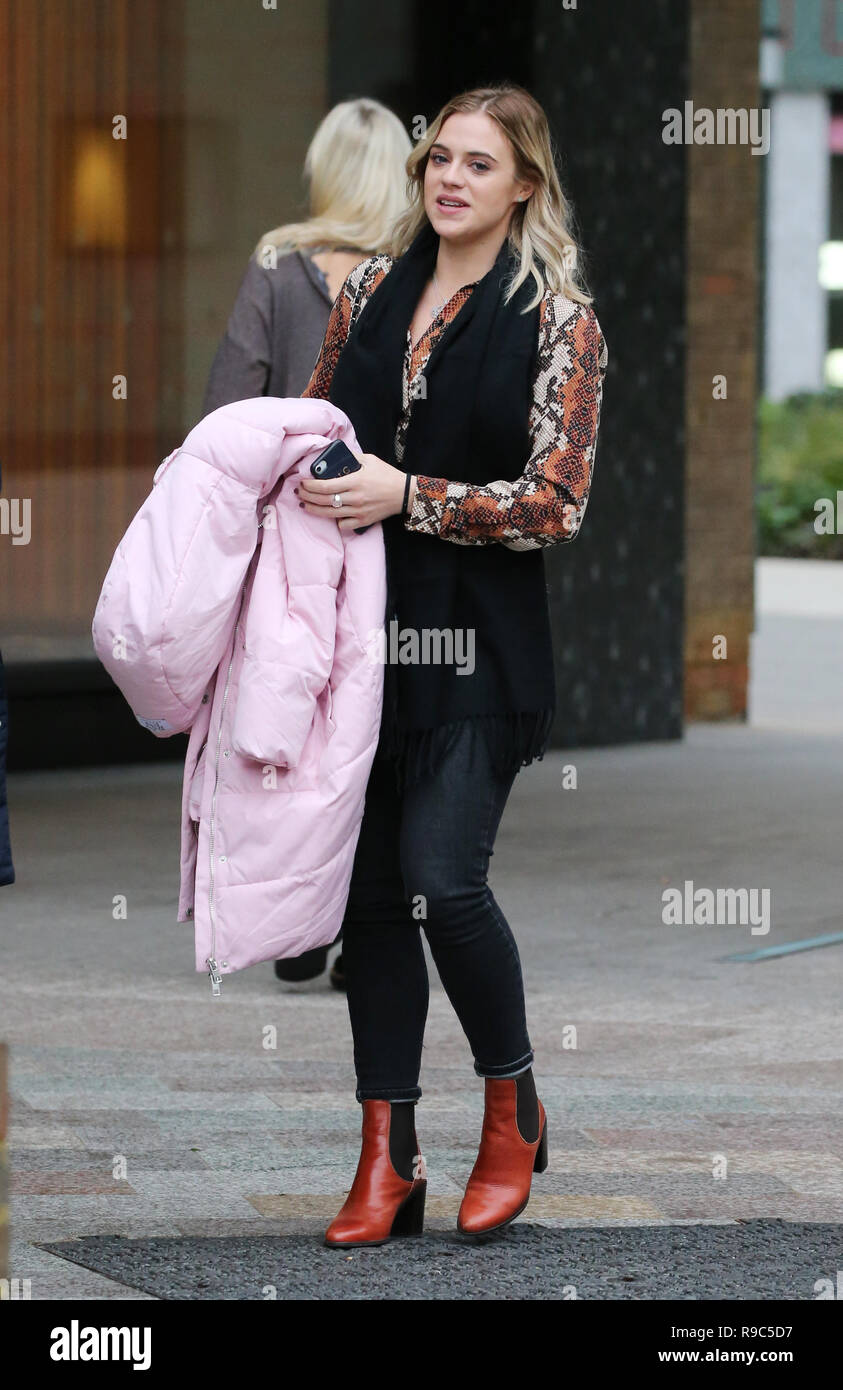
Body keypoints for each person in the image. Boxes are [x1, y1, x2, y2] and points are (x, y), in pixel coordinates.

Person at [297, 82, 608, 1246]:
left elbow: (555, 502)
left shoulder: (558, 318)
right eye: (440, 159)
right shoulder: (369, 289)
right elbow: (316, 430)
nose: (451, 179)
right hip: (359, 637)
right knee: (372, 897)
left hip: (481, 647)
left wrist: (408, 496)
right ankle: (387, 1157)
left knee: (443, 874)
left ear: (524, 184)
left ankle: (509, 1108)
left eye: (480, 164)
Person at [201, 97, 411, 990]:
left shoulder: (277, 265)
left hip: (288, 548)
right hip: (387, 535)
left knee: (290, 725)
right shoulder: (419, 276)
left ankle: (296, 926)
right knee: (378, 733)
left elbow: (226, 406)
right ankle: (367, 927)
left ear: (324, 172)